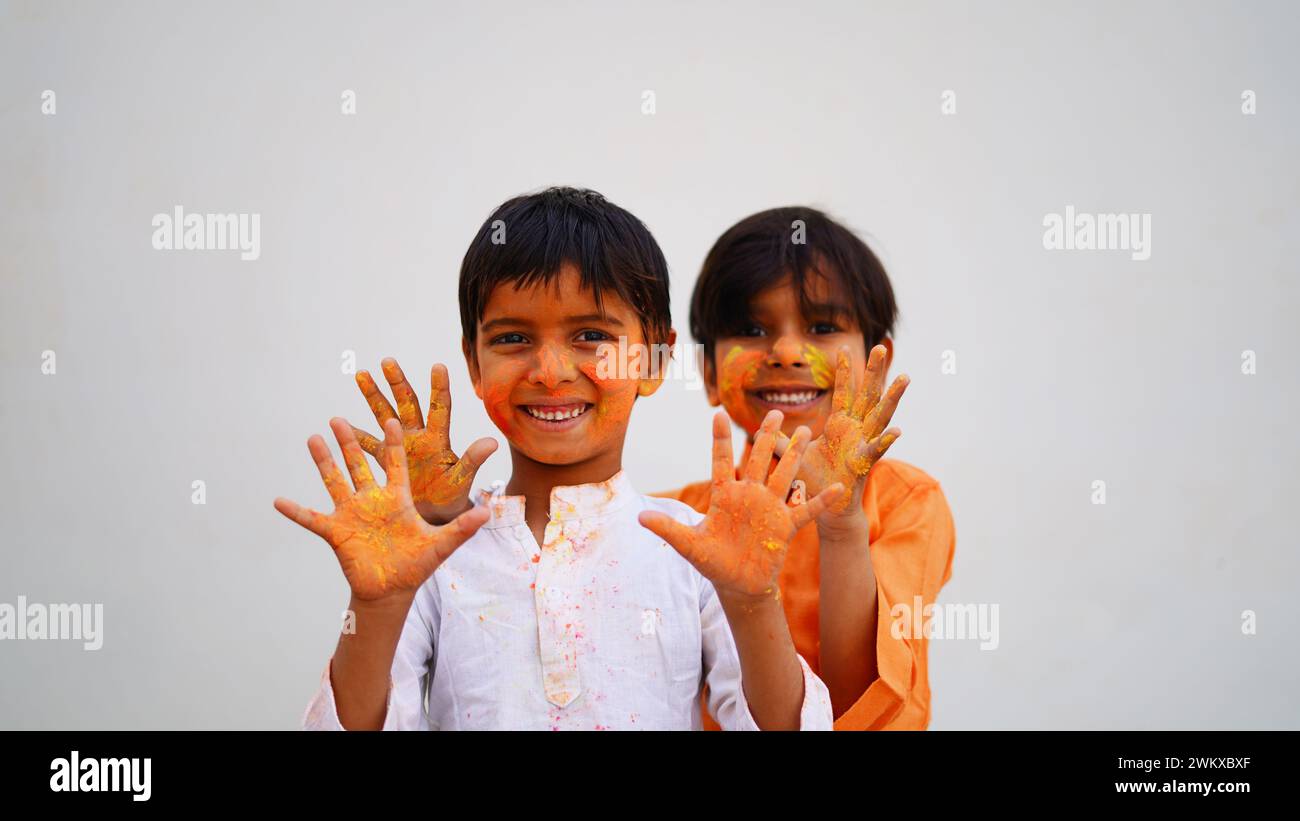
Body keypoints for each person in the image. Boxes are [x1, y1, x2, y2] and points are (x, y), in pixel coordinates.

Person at [274, 188, 842, 730]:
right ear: (473, 362)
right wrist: (376, 606)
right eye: (512, 339)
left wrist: (753, 601)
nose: (549, 370)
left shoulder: (696, 548)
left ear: (654, 360)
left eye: (591, 334)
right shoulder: (434, 546)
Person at [656, 206, 956, 729]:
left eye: (822, 326)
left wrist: (842, 524)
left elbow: (853, 706)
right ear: (707, 374)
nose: (788, 351)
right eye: (751, 328)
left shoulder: (908, 501)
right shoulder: (675, 520)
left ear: (874, 364)